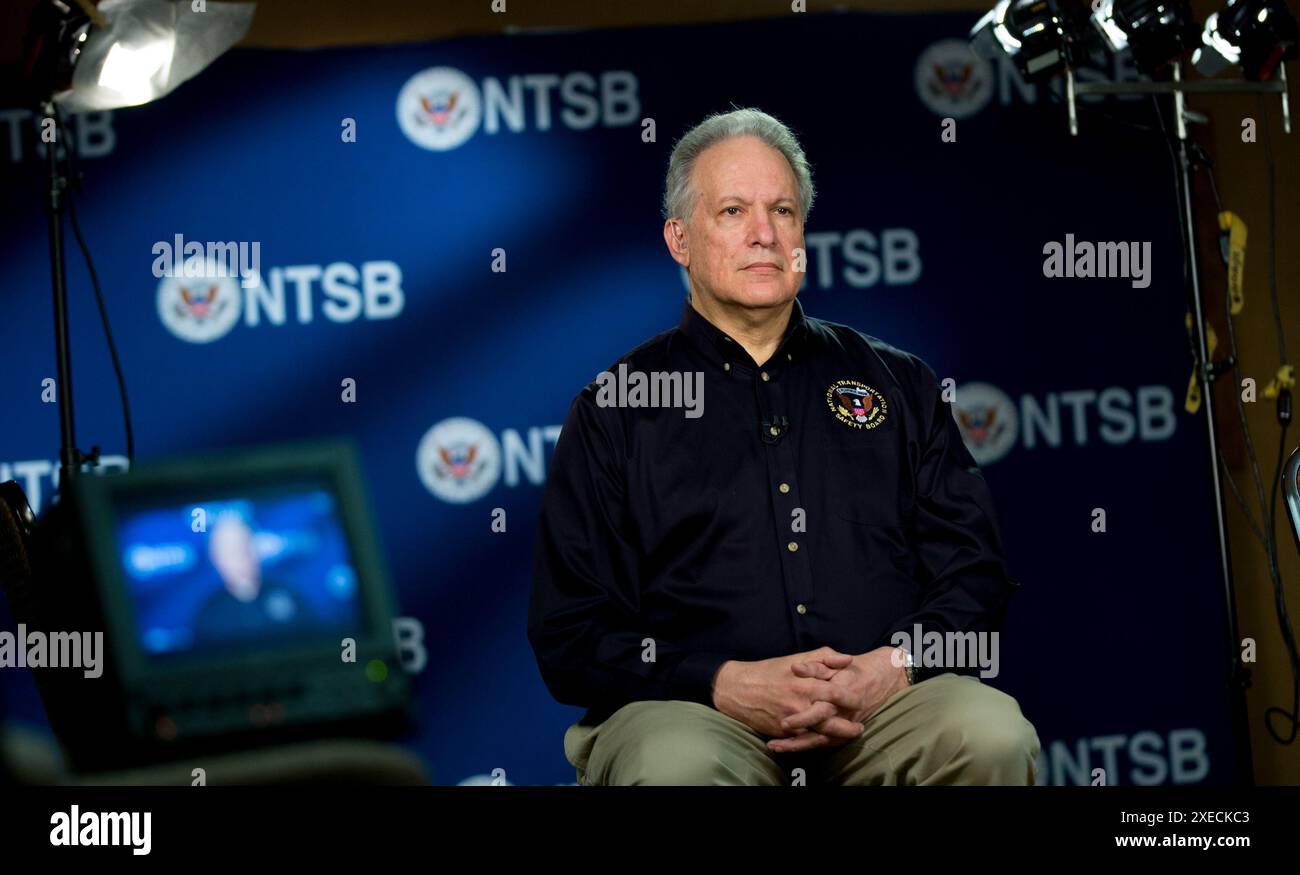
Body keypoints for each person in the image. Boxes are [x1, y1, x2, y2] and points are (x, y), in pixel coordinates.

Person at [528, 107, 1040, 785]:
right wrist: (721, 680)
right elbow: (571, 633)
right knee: (672, 764)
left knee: (989, 731)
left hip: (880, 707)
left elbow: (974, 573)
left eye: (784, 211)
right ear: (679, 239)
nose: (765, 234)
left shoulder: (898, 382)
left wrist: (895, 665)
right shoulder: (613, 411)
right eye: (733, 211)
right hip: (697, 711)